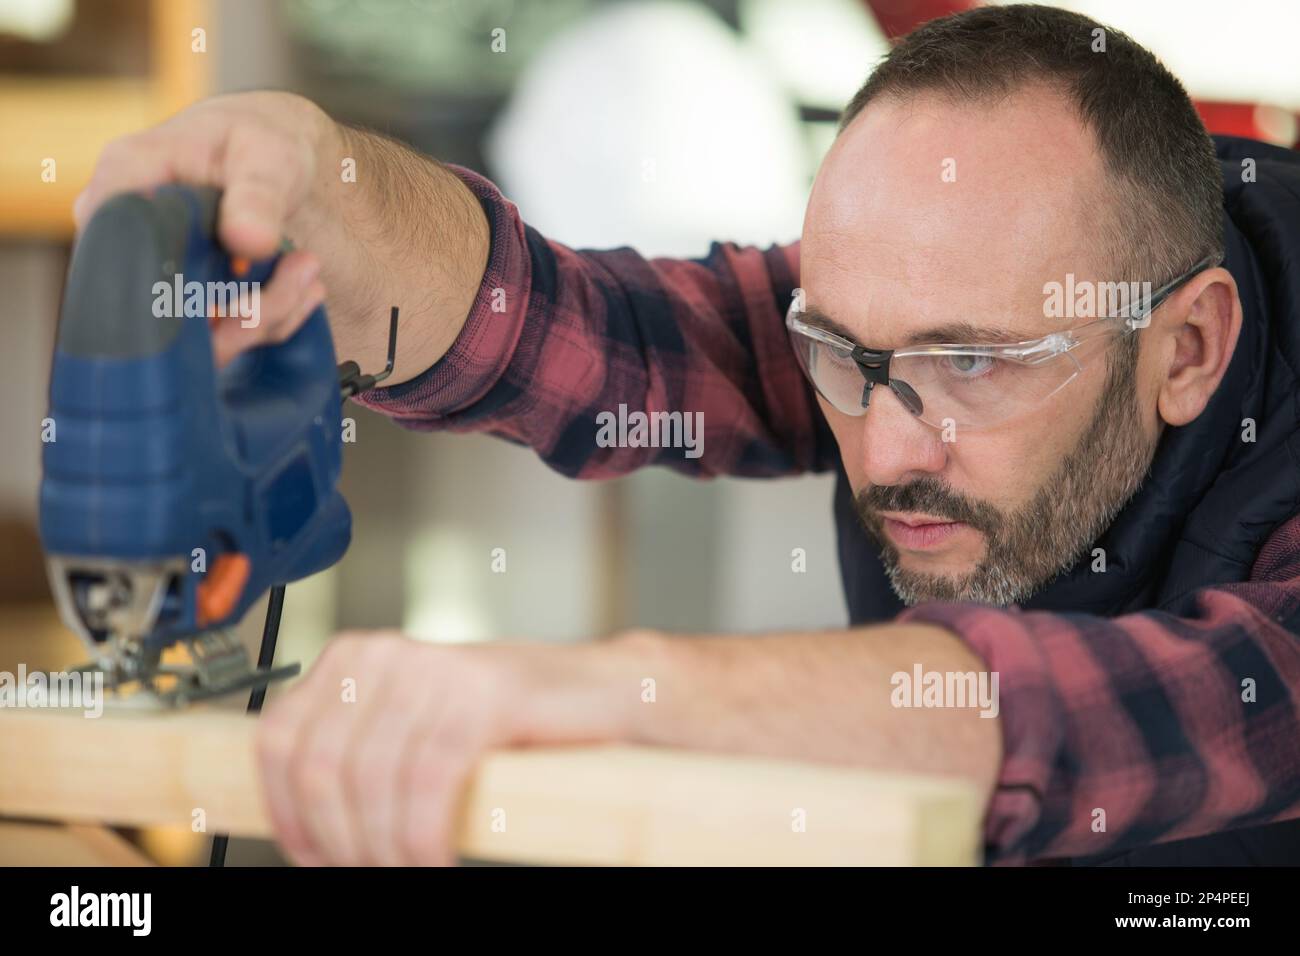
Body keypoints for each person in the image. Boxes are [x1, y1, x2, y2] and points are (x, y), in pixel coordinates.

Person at [73, 5, 1300, 866]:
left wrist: (595, 689)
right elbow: (576, 331)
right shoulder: (913, 306)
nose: (883, 455)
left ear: (1187, 347)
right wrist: (327, 186)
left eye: (970, 363)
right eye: (843, 353)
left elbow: (1099, 715)